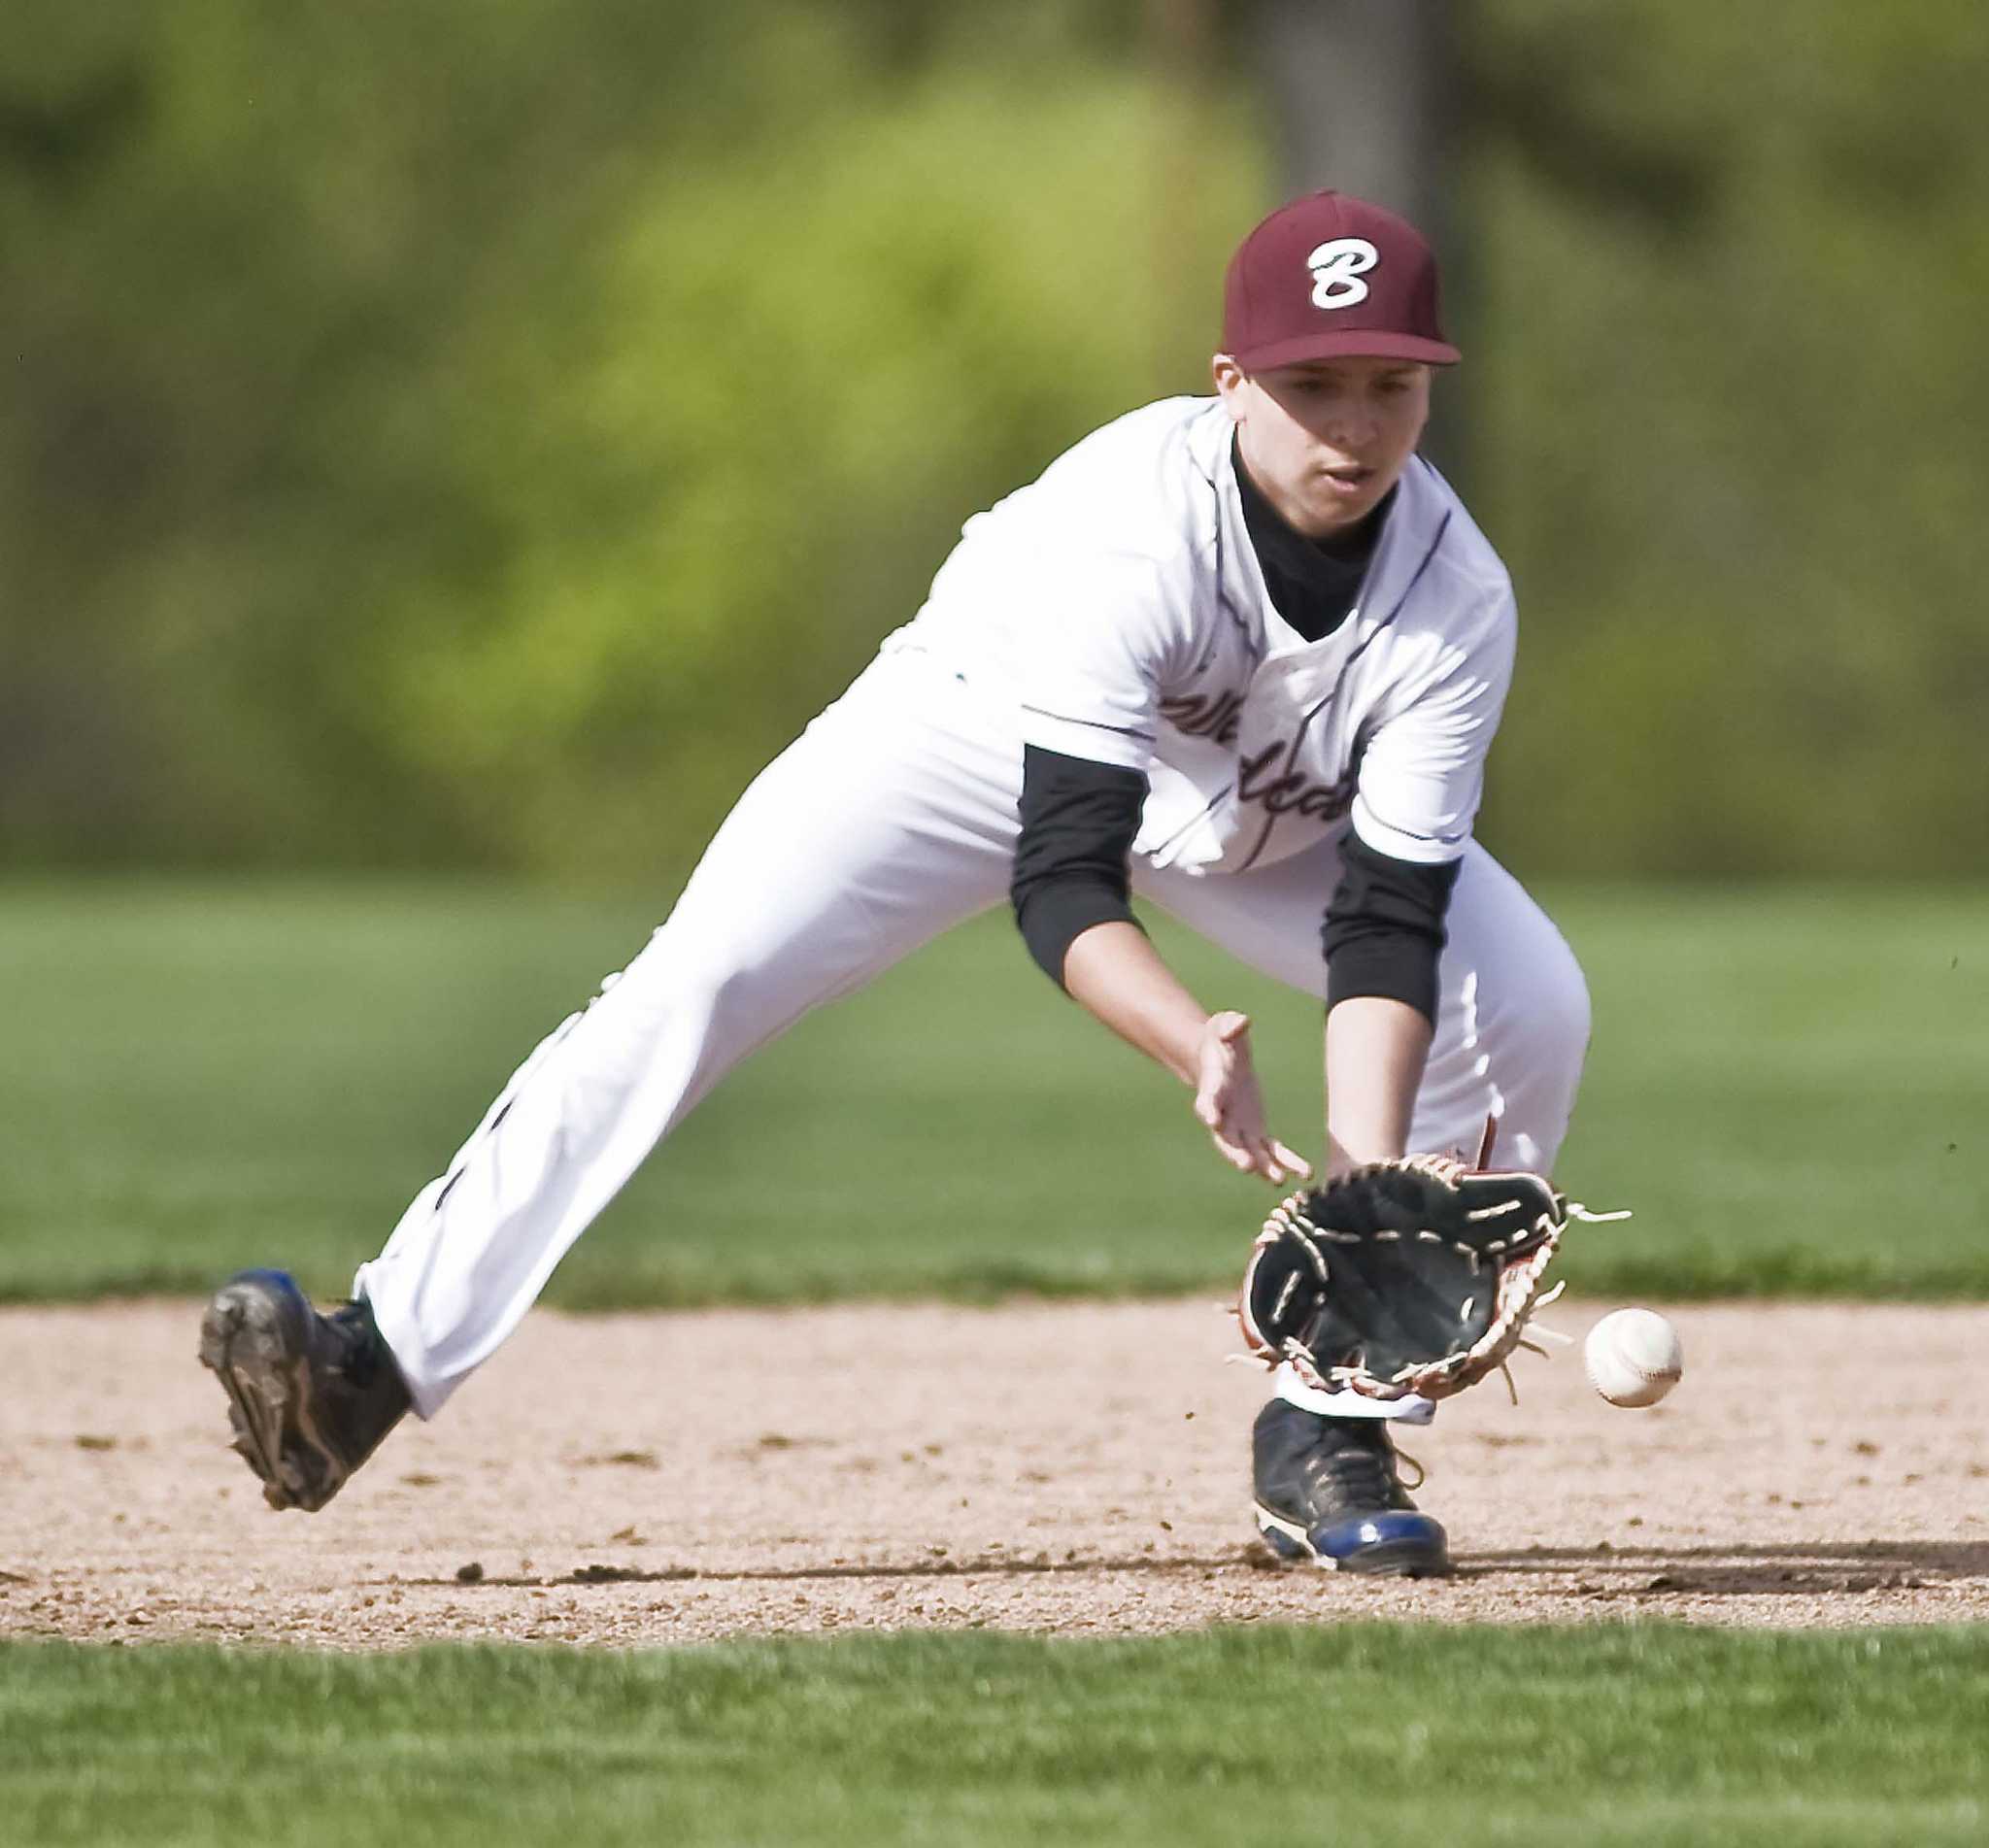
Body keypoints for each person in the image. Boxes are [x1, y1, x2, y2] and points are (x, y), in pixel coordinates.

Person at [199, 190, 1589, 1579]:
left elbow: (1389, 922)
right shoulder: (1135, 527)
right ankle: (366, 1365)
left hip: (1271, 818)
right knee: (701, 980)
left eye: (1391, 387)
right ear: (1230, 385)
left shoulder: (1454, 598)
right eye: (1312, 385)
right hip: (977, 737)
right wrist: (1185, 1038)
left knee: (1528, 1004)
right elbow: (1062, 876)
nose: (1353, 426)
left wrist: (1362, 1191)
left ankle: (1330, 1428)